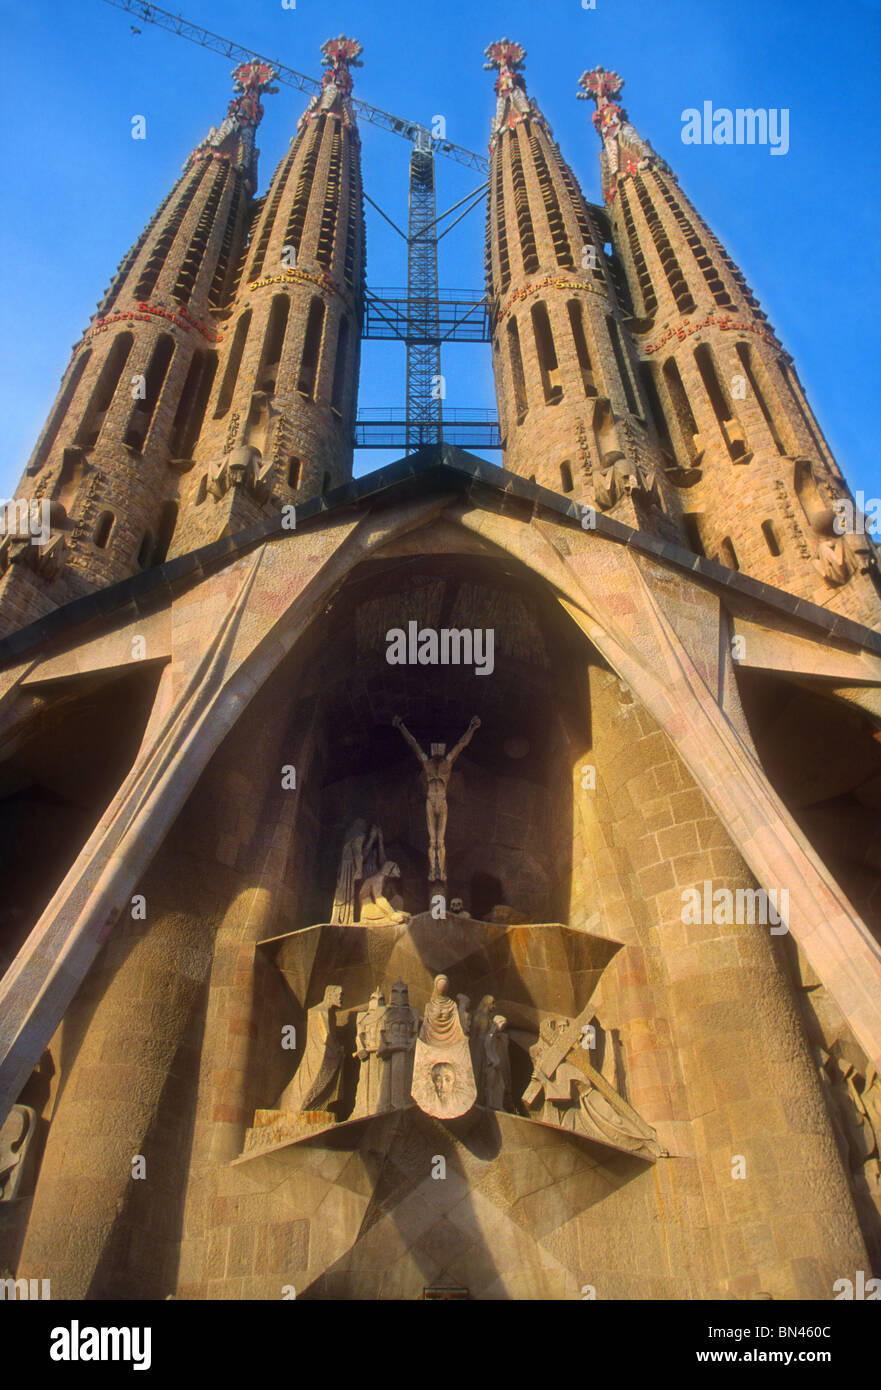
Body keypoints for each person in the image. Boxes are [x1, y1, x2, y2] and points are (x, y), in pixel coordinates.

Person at [392, 715, 481, 880]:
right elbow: (413, 744)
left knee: (440, 841)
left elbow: (461, 744)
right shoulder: (426, 763)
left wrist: (472, 729)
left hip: (441, 801)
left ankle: (442, 871)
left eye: (440, 749)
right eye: (435, 749)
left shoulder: (448, 763)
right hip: (430, 801)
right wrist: (401, 726)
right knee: (432, 841)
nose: (438, 751)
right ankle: (433, 871)